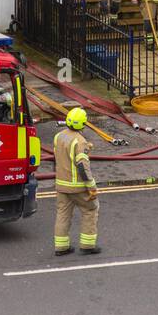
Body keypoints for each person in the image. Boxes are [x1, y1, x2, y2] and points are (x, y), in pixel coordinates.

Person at [53, 108, 100, 256]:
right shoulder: (80, 142)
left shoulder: (58, 137)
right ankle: (87, 245)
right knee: (90, 210)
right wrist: (91, 186)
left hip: (61, 185)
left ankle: (61, 247)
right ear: (83, 124)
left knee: (62, 214)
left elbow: (60, 158)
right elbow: (82, 166)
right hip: (78, 187)